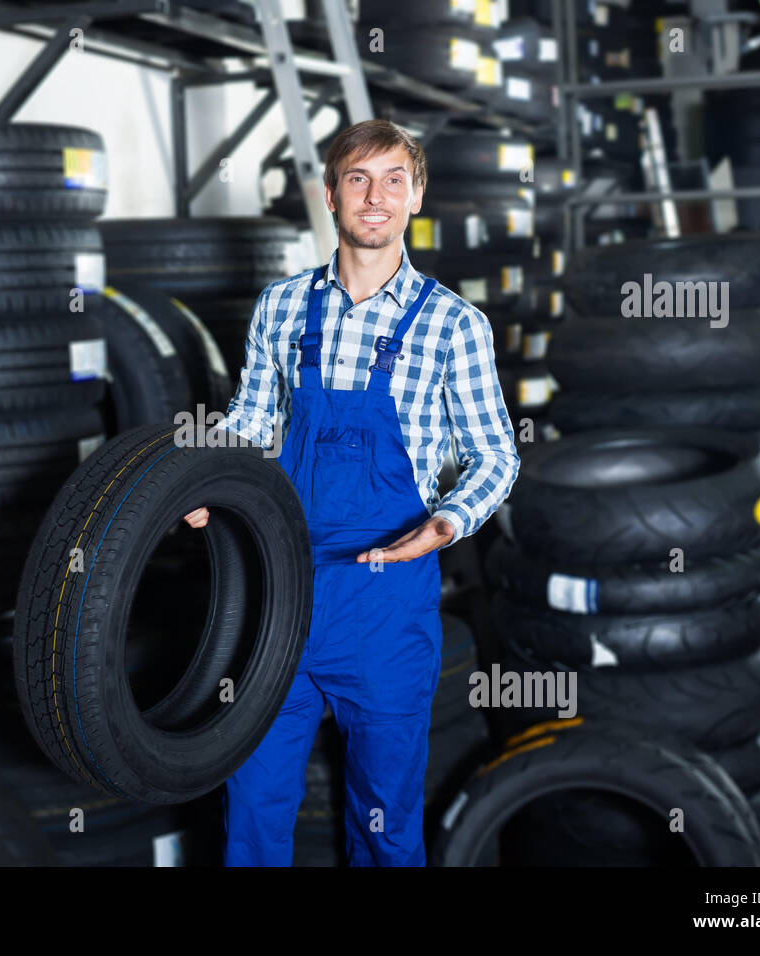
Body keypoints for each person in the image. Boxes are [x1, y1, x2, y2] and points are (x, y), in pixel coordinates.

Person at [182, 119, 519, 866]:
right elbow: (253, 420)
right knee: (253, 811)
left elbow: (497, 457)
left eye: (394, 180)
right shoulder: (282, 307)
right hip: (278, 599)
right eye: (359, 179)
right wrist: (207, 483)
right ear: (330, 195)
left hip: (385, 610)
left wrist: (444, 526)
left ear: (417, 197)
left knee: (384, 824)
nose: (377, 197)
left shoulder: (454, 325)